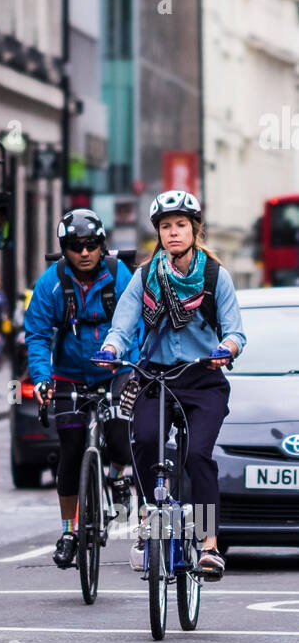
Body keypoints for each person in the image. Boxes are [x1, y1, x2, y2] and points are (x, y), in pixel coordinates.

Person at [93, 190, 246, 581]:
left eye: (180, 225)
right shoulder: (146, 277)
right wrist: (111, 348)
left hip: (202, 377)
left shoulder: (216, 277)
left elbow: (235, 333)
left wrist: (225, 349)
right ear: (158, 233)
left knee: (198, 458)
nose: (173, 233)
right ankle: (150, 520)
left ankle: (209, 545)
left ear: (195, 230)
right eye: (165, 227)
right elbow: (123, 326)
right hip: (156, 376)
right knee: (143, 442)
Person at [24, 208, 136, 569]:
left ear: (102, 246)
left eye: (91, 245)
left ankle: (119, 476)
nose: (84, 253)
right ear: (65, 248)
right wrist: (42, 378)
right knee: (71, 451)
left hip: (116, 370)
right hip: (70, 375)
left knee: (121, 438)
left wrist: (134, 367)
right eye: (75, 246)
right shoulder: (49, 284)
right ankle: (69, 531)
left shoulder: (121, 276)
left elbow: (138, 325)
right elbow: (39, 336)